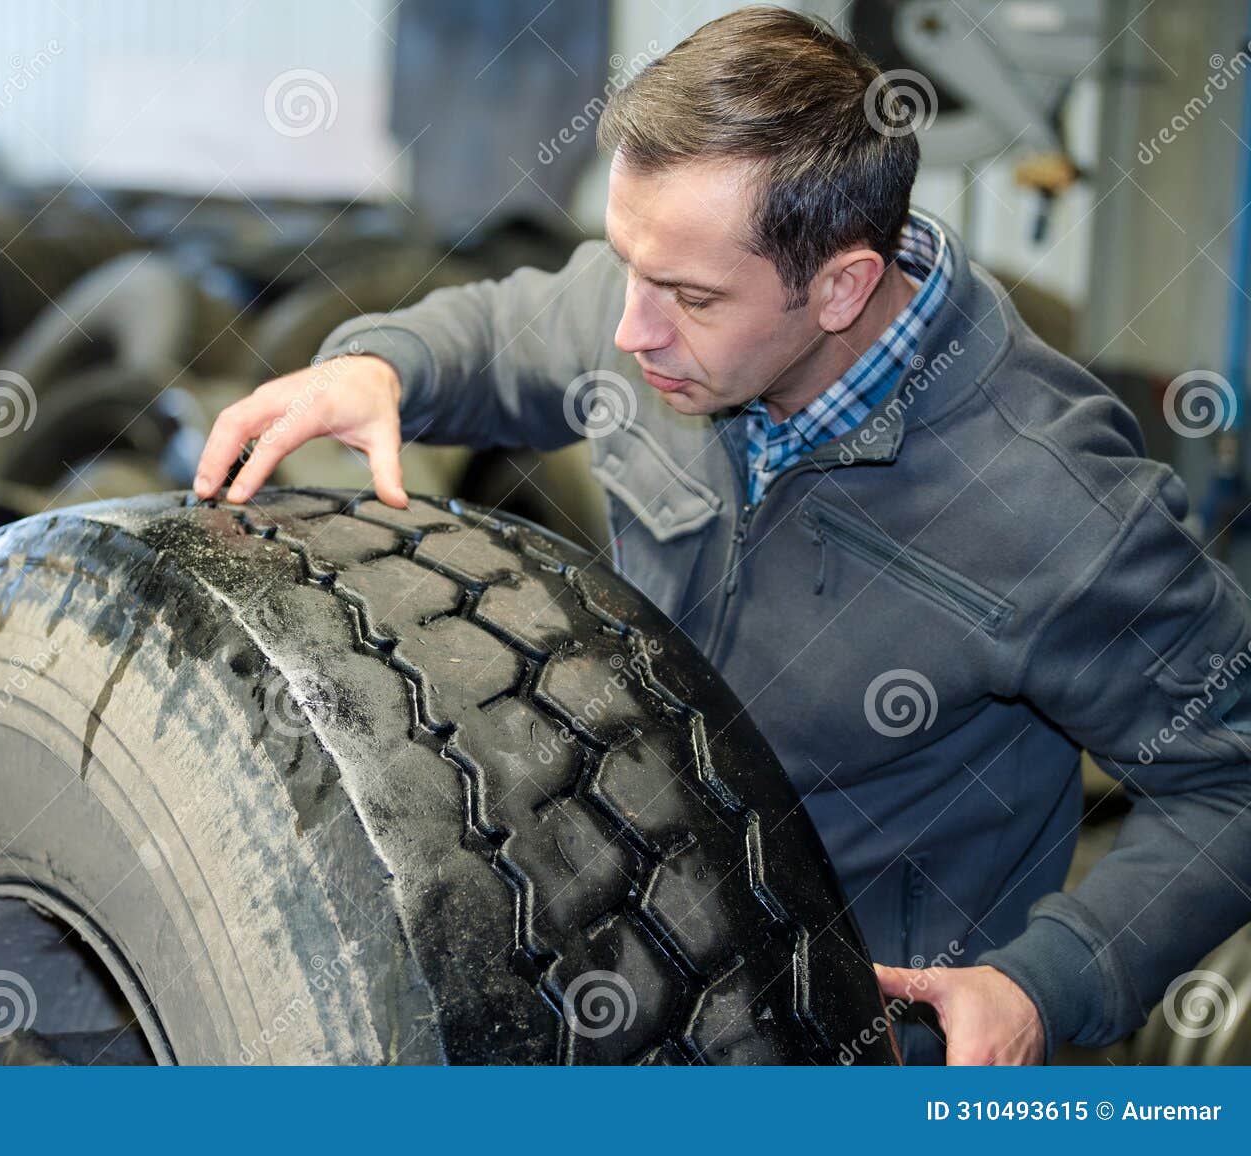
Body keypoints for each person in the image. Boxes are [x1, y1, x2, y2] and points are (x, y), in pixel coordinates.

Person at [193, 6, 1251, 1064]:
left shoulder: (1053, 504)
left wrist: (1046, 983)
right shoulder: (666, 316)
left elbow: (1232, 780)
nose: (628, 327)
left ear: (839, 286)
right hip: (628, 989)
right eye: (627, 266)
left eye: (687, 296)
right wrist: (376, 365)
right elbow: (502, 333)